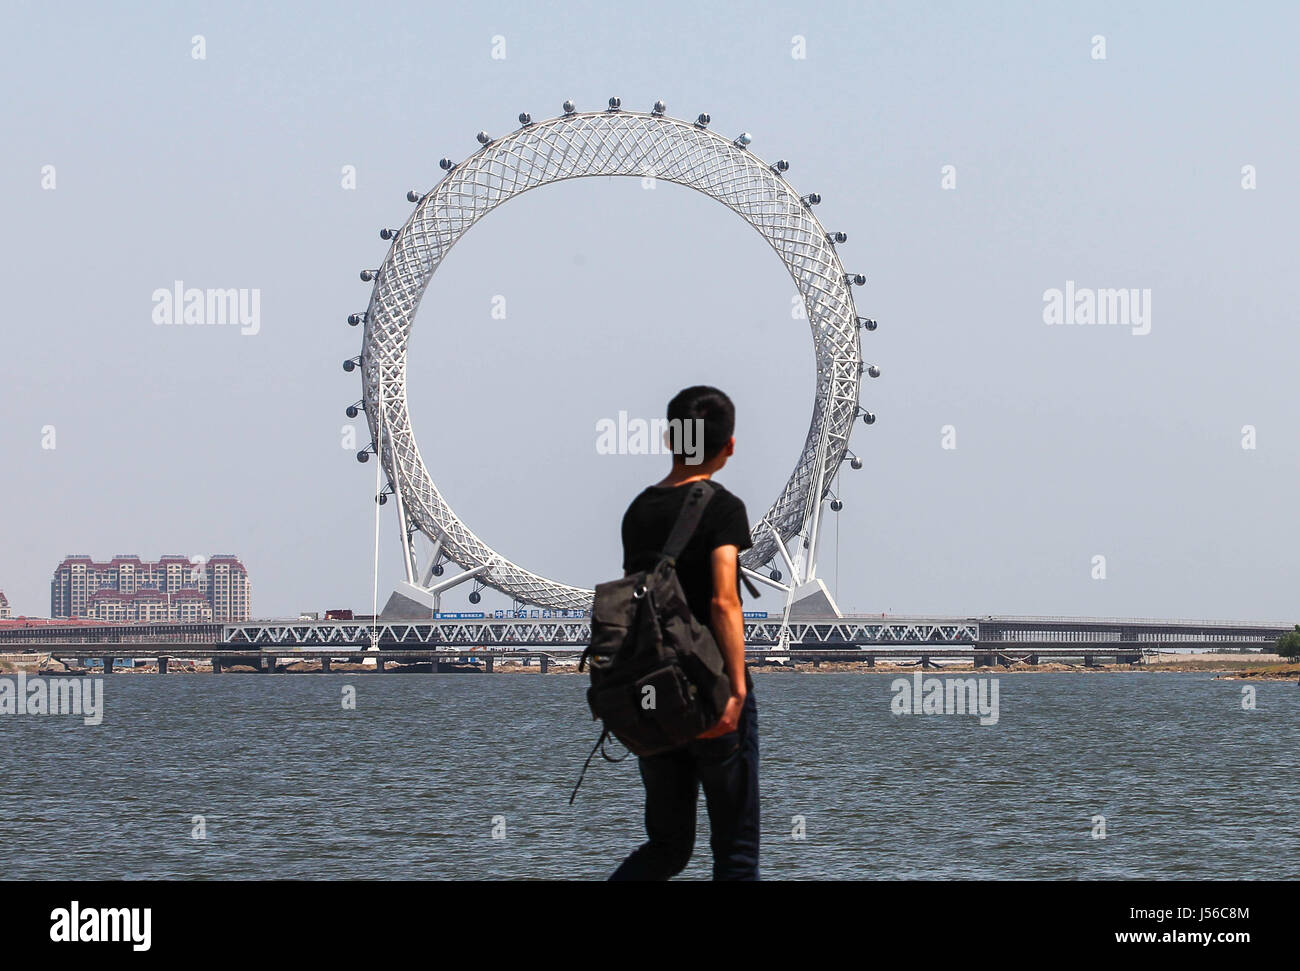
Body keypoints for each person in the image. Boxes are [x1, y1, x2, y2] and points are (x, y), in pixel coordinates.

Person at [609, 385, 759, 881]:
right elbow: (723, 600)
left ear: (671, 438)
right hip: (712, 688)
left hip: (654, 692)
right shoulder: (723, 508)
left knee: (668, 846)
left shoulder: (638, 511)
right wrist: (736, 690)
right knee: (734, 851)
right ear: (729, 446)